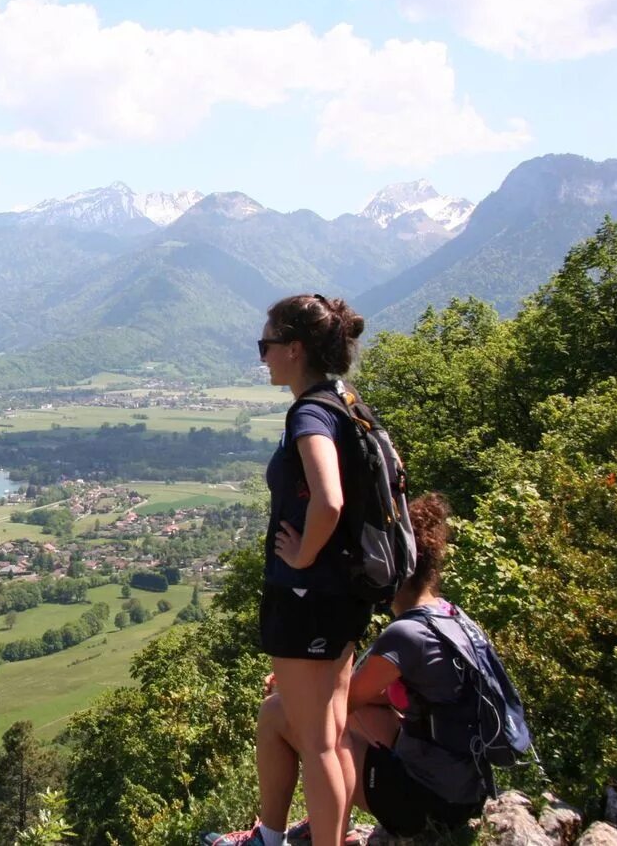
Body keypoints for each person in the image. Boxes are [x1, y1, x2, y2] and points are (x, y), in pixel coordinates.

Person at [204, 294, 373, 846]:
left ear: (295, 349)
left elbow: (330, 499)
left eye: (267, 345)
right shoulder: (346, 399)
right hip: (342, 596)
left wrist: (301, 555)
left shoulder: (310, 411)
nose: (263, 357)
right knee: (329, 732)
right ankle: (320, 835)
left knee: (318, 742)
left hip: (307, 598)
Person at [241, 494, 488, 843]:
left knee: (281, 714)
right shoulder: (450, 617)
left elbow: (334, 712)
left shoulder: (405, 636)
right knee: (346, 713)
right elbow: (375, 698)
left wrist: (289, 691)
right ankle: (327, 819)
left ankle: (273, 837)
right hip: (462, 791)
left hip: (427, 804)